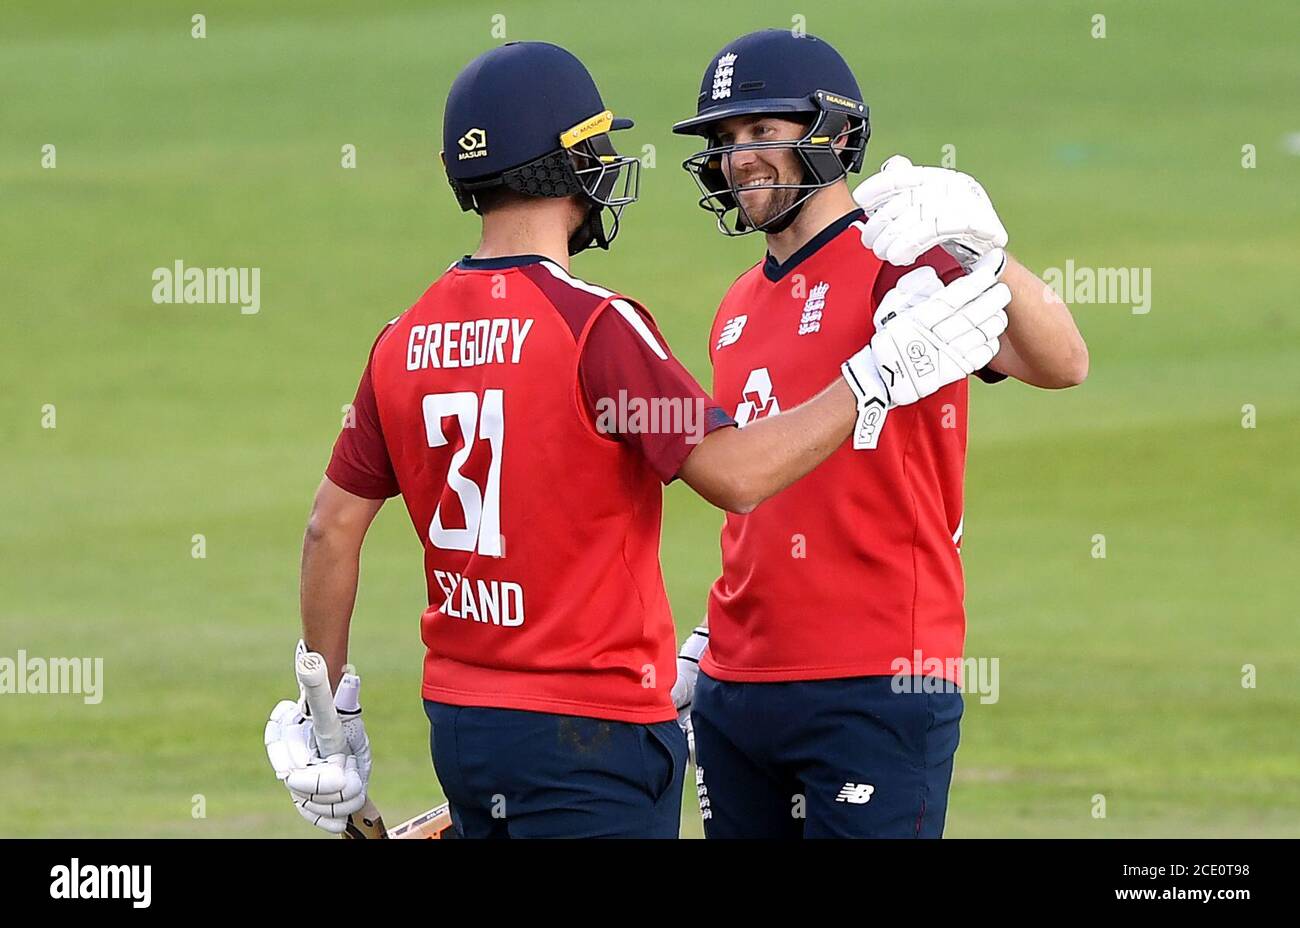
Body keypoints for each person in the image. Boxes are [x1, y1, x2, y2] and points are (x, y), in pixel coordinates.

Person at [264, 39, 1009, 838]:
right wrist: (874, 378)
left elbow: (329, 528)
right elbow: (733, 473)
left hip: (464, 721)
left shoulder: (400, 339)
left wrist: (325, 714)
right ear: (561, 165)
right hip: (594, 727)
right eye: (595, 148)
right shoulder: (596, 328)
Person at [669, 29, 1088, 838]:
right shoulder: (734, 306)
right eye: (724, 140)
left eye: (761, 132)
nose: (738, 157)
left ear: (829, 133)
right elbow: (763, 492)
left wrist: (989, 260)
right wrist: (707, 637)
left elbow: (1064, 362)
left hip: (875, 681)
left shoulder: (904, 260)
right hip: (737, 685)